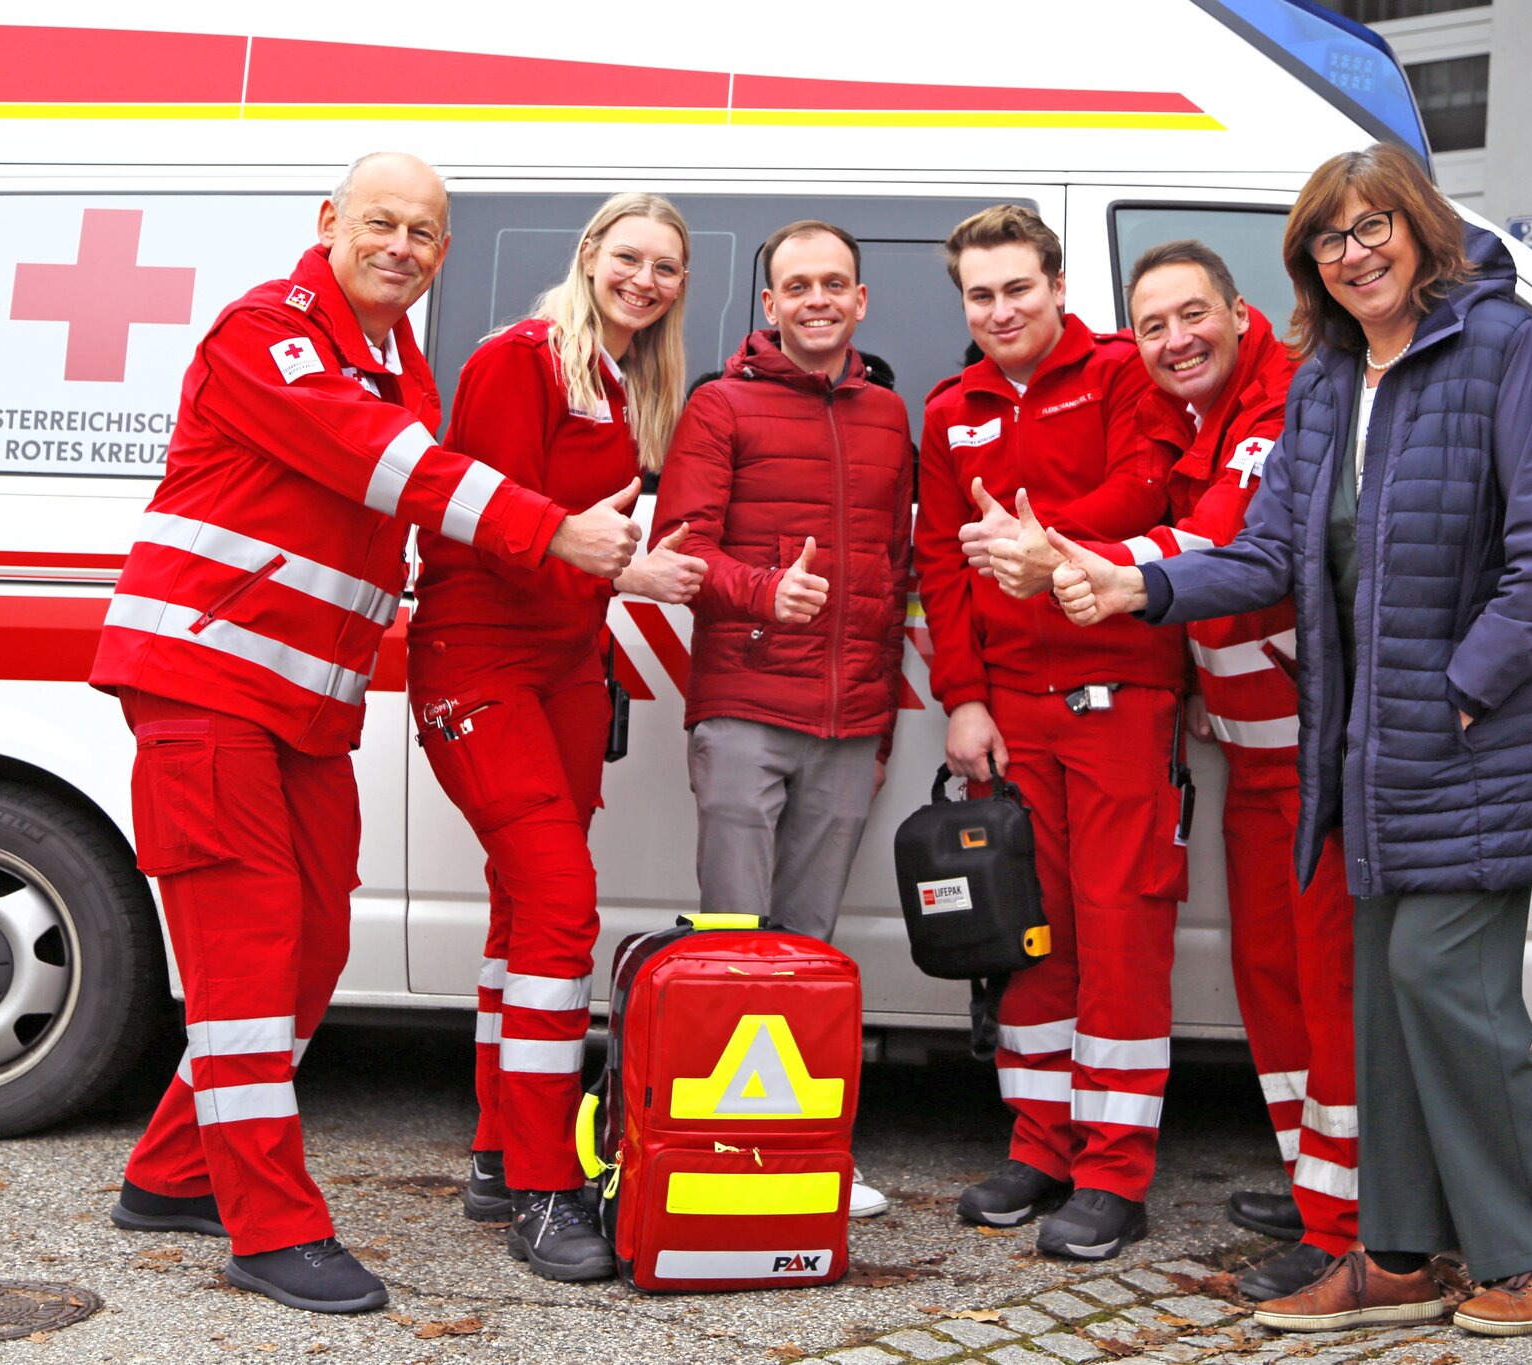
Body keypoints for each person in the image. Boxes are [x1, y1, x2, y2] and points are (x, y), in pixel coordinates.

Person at [1048, 143, 1532, 1337]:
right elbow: (1267, 553)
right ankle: (1395, 1255)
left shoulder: (1502, 348)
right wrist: (1133, 591)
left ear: (1419, 229)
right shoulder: (1325, 380)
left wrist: (1461, 690)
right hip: (1364, 747)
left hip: (1475, 738)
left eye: (1372, 229)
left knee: (1442, 987)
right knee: (1385, 999)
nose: (1352, 253)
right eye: (1327, 237)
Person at [89, 153, 640, 1314]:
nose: (402, 245)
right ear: (330, 223)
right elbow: (384, 465)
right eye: (381, 222)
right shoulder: (271, 331)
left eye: (425, 234)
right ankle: (271, 1227)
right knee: (243, 968)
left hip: (301, 707)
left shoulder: (397, 359)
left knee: (313, 946)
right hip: (205, 684)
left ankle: (175, 1170)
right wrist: (554, 534)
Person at [985, 239, 1356, 1301]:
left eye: (1190, 316)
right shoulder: (1201, 415)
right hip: (1253, 757)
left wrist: (1075, 564)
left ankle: (1345, 1227)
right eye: (1149, 326)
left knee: (1320, 994)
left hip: (1311, 759)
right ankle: (1313, 1181)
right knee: (1272, 987)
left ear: (1241, 315)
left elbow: (1223, 543)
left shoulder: (1283, 401)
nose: (1172, 340)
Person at [407, 193, 704, 1282]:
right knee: (559, 903)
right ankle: (542, 1182)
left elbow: (607, 533)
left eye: (666, 267)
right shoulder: (519, 357)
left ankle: (496, 1152)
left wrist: (651, 567)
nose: (645, 279)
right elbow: (479, 520)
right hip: (478, 661)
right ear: (588, 256)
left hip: (567, 668)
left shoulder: (635, 383)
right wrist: (617, 566)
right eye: (628, 256)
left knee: (524, 910)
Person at [914, 204, 1179, 1260]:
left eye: (1017, 287)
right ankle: (1041, 1144)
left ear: (1058, 287)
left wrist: (1049, 544)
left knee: (1120, 935)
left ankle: (1114, 1170)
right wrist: (961, 698)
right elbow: (938, 563)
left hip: (1119, 697)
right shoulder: (950, 409)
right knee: (1028, 934)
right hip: (1011, 711)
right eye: (979, 295)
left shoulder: (1119, 371)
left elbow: (1145, 484)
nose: (1000, 310)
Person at [650, 221, 914, 1220]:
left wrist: (883, 722)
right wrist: (764, 592)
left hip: (847, 725)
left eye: (832, 283)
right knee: (732, 942)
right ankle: (725, 1155)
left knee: (808, 951)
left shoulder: (890, 416)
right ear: (767, 305)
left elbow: (895, 573)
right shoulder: (719, 406)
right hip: (747, 711)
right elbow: (680, 554)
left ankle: (806, 1156)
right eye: (794, 283)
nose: (814, 298)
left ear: (857, 302)